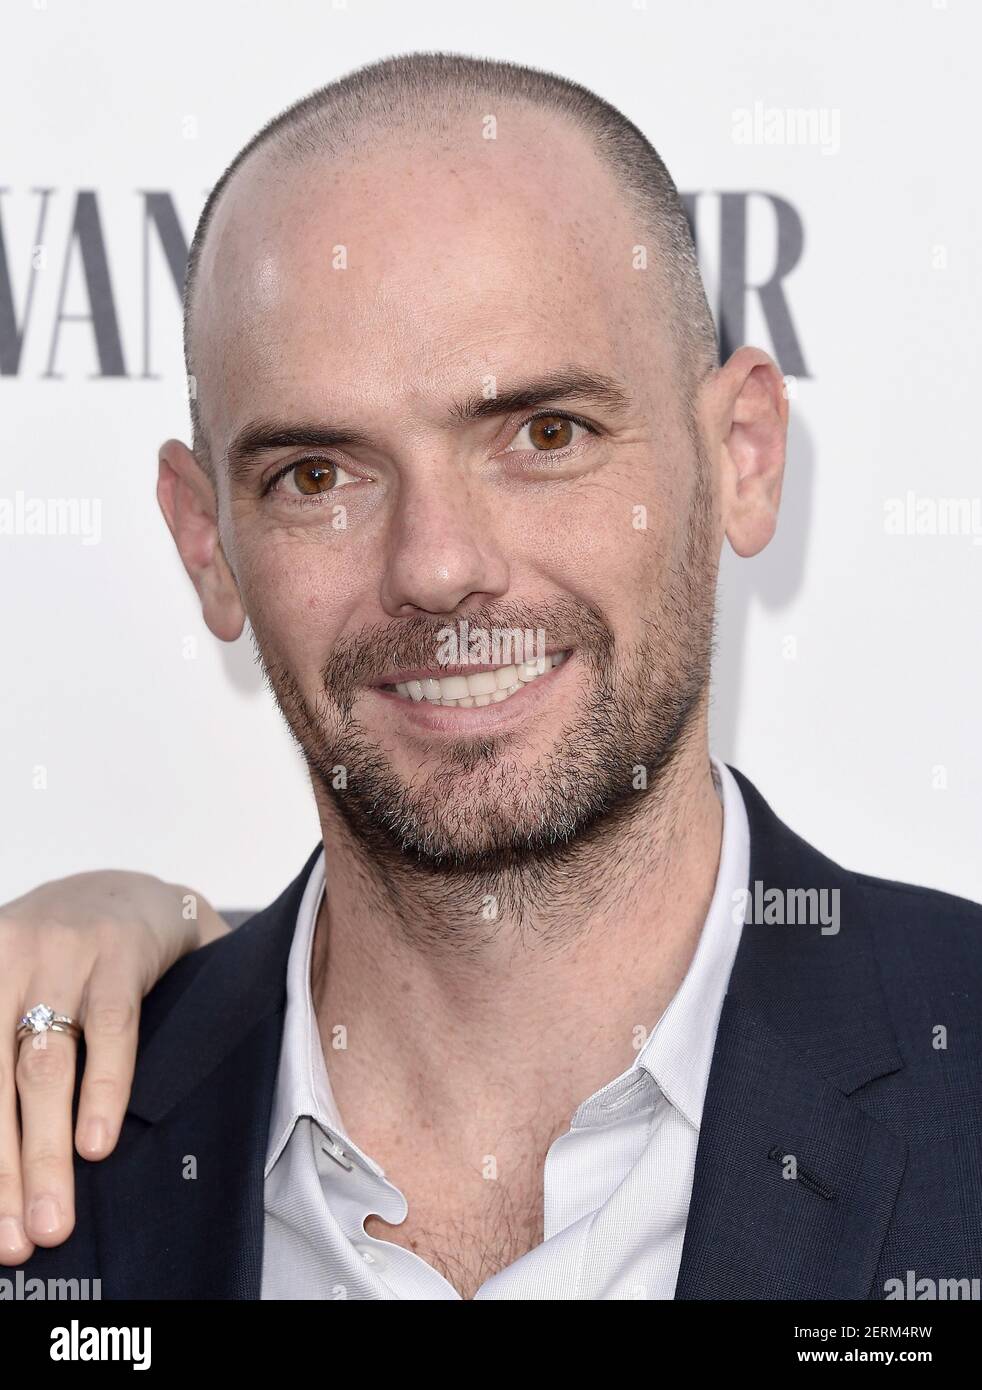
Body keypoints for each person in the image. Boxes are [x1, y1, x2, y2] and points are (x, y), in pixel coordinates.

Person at [2, 50, 980, 1300]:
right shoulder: (52, 1142)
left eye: (544, 434)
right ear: (209, 544)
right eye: (318, 474)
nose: (439, 566)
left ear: (740, 456)